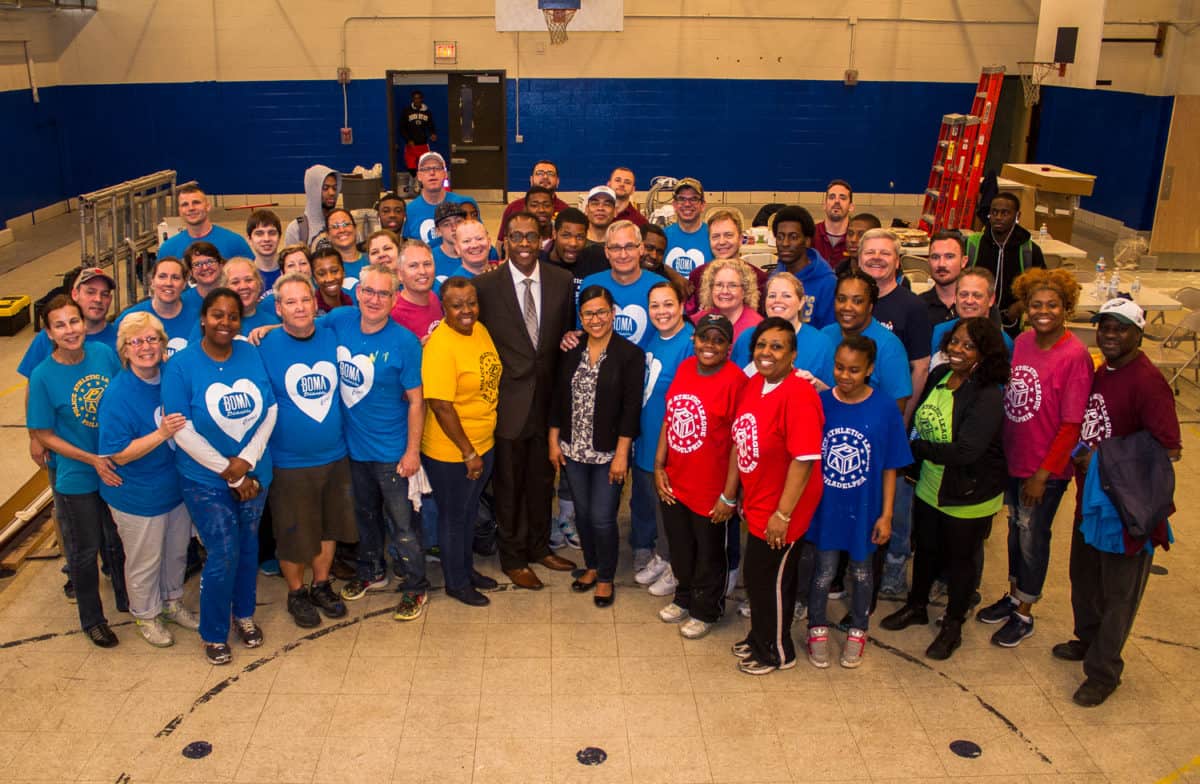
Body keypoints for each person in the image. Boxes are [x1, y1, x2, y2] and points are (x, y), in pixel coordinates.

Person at [1057, 298, 1182, 706]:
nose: (1110, 335)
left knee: (1119, 595)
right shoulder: (1103, 372)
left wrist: (1104, 455)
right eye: (1105, 327)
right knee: (1085, 581)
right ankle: (1088, 641)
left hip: (1125, 509)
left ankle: (1104, 671)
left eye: (1121, 328)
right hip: (1091, 501)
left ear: (1139, 334)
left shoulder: (1147, 382)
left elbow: (1169, 447)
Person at [881, 317, 1010, 660]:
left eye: (968, 346)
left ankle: (953, 624)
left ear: (984, 353)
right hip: (930, 484)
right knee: (925, 549)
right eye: (955, 342)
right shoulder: (939, 377)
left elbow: (967, 451)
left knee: (960, 561)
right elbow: (921, 420)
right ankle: (917, 605)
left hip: (968, 492)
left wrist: (917, 450)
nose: (957, 349)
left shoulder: (986, 395)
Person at [977, 268, 1091, 647]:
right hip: (1013, 458)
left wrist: (1043, 473)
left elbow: (1072, 423)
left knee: (1033, 537)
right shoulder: (1023, 341)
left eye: (1053, 305)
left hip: (1044, 469)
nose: (1044, 311)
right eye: (1036, 304)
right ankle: (1013, 595)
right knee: (1015, 530)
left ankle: (1025, 613)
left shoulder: (1074, 356)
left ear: (1066, 308)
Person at [164, 288, 276, 663]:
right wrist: (230, 472)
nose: (225, 323)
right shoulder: (181, 365)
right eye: (217, 315)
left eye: (232, 316)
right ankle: (213, 632)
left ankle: (243, 614)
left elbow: (270, 409)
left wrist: (245, 462)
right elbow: (180, 428)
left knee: (247, 547)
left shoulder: (249, 352)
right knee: (223, 551)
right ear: (203, 319)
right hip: (205, 480)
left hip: (254, 473)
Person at [474, 212, 577, 590]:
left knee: (541, 481)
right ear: (505, 241)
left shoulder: (562, 281)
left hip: (547, 404)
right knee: (509, 486)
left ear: (542, 240)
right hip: (506, 405)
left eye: (530, 236)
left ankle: (538, 547)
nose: (522, 243)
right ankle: (513, 556)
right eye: (515, 236)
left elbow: (563, 336)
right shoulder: (485, 286)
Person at [320, 264, 429, 618]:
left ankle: (415, 586)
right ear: (358, 292)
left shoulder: (404, 342)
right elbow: (302, 327)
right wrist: (265, 329)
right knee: (364, 518)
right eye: (369, 291)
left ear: (394, 298)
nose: (374, 299)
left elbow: (416, 400)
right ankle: (372, 573)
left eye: (384, 293)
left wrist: (412, 451)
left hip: (392, 453)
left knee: (404, 528)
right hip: (353, 450)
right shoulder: (339, 320)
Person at [27, 295, 128, 647]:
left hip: (113, 465)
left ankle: (125, 599)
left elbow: (122, 397)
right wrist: (92, 459)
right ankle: (93, 619)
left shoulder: (102, 355)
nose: (70, 330)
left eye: (74, 321)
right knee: (85, 548)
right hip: (78, 473)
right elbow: (45, 434)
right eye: (60, 325)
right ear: (49, 333)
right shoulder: (42, 376)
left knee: (116, 540)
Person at [806, 336, 912, 668]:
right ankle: (816, 626)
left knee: (862, 573)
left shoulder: (884, 408)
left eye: (854, 370)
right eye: (839, 367)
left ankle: (858, 628)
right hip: (827, 508)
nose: (845, 375)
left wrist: (887, 514)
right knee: (823, 572)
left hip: (866, 509)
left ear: (869, 370)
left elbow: (891, 465)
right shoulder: (821, 403)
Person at [729, 317, 824, 675]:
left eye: (777, 346)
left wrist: (782, 515)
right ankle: (759, 635)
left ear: (793, 354)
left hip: (784, 507)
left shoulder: (799, 394)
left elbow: (803, 459)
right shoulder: (755, 384)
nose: (767, 352)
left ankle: (778, 651)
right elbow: (744, 440)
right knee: (757, 576)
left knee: (773, 581)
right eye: (762, 344)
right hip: (758, 500)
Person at [260, 274, 356, 628]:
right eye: (290, 302)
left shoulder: (332, 332)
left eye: (305, 300)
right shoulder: (266, 346)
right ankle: (296, 592)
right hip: (288, 461)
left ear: (315, 304)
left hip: (334, 455)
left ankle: (321, 584)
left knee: (328, 527)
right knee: (294, 531)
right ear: (278, 309)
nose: (299, 307)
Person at [98, 312, 199, 648]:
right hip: (139, 497)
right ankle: (146, 613)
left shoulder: (173, 375)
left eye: (152, 339)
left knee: (175, 554)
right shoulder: (118, 394)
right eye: (136, 342)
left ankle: (171, 602)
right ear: (124, 351)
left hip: (176, 488)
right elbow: (119, 454)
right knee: (145, 560)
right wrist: (161, 433)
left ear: (163, 344)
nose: (145, 347)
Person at [549, 285, 644, 608]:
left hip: (608, 453)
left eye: (602, 312)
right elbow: (558, 398)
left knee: (603, 517)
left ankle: (605, 576)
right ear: (581, 317)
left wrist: (621, 455)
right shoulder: (570, 350)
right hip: (573, 449)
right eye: (589, 313)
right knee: (584, 515)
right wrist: (553, 440)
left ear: (613, 313)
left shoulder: (629, 354)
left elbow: (631, 409)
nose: (596, 318)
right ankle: (591, 565)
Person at [654, 313, 746, 638]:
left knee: (709, 554)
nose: (710, 345)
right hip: (676, 480)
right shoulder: (684, 368)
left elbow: (740, 443)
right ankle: (684, 595)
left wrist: (729, 495)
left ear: (729, 347)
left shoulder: (736, 381)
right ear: (694, 340)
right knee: (681, 547)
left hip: (712, 488)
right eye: (704, 337)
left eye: (718, 340)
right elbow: (670, 417)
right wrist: (659, 464)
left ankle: (706, 608)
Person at [857, 228, 931, 596]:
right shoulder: (852, 302)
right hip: (858, 424)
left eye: (884, 253)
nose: (876, 258)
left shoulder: (911, 307)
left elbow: (920, 367)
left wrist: (903, 420)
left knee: (897, 503)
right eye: (869, 252)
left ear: (897, 261)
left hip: (894, 420)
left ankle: (895, 571)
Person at [420, 277, 502, 606]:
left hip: (483, 440)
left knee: (469, 514)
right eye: (457, 305)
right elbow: (441, 405)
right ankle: (456, 582)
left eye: (471, 302)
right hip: (452, 451)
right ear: (444, 308)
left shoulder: (479, 330)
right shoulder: (441, 344)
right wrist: (468, 452)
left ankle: (466, 570)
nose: (466, 310)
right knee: (455, 517)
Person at [18, 268, 118, 478]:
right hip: (68, 457)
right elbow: (33, 392)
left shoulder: (116, 340)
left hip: (110, 450)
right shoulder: (45, 341)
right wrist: (35, 437)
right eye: (90, 292)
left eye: (105, 294)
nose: (98, 299)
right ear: (75, 294)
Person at [632, 280, 695, 592]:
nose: (662, 311)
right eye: (655, 305)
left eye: (668, 304)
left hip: (672, 445)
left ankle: (677, 565)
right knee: (655, 507)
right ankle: (662, 555)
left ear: (682, 306)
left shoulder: (689, 342)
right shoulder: (654, 337)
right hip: (647, 436)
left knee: (672, 508)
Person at [819, 270, 913, 411]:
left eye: (857, 301)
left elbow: (897, 408)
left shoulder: (889, 347)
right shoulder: (825, 335)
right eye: (841, 299)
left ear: (870, 306)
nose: (847, 307)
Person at [730, 272, 834, 389]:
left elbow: (834, 395)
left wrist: (816, 385)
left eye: (786, 296)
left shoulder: (821, 343)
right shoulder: (747, 338)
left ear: (801, 303)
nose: (777, 300)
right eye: (772, 296)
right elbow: (732, 383)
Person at [579, 220, 666, 349]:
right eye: (615, 248)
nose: (623, 255)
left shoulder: (661, 287)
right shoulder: (590, 284)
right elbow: (581, 331)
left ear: (641, 248)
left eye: (630, 246)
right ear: (606, 252)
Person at [968, 192, 1046, 333]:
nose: (998, 217)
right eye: (994, 212)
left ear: (1017, 216)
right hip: (973, 318)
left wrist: (1021, 305)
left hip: (1012, 325)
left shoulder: (1029, 250)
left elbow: (1044, 287)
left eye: (1005, 213)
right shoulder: (973, 244)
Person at [929, 268, 1013, 371]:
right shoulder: (939, 332)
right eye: (963, 294)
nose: (969, 301)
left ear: (991, 300)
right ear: (955, 297)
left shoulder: (1003, 342)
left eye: (977, 295)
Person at [119, 256, 200, 358]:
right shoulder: (129, 319)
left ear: (184, 284)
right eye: (162, 276)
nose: (168, 283)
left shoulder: (199, 320)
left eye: (175, 277)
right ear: (152, 281)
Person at [772, 206, 836, 329]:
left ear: (807, 241)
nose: (785, 243)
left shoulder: (827, 283)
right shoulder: (775, 277)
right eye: (780, 237)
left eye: (793, 237)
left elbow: (830, 333)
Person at [158, 185, 254, 261]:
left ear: (208, 206)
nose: (191, 208)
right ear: (180, 211)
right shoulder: (168, 249)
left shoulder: (235, 243)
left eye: (196, 202)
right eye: (185, 204)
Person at [402, 152, 478, 244]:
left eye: (437, 168)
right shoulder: (410, 210)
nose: (432, 173)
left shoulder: (465, 203)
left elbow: (478, 236)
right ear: (419, 176)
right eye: (426, 169)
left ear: (445, 174)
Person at [496, 161, 570, 243]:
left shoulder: (565, 210)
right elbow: (501, 241)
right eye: (539, 173)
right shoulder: (513, 208)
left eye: (550, 174)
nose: (545, 177)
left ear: (558, 181)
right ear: (531, 180)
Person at [542, 207, 607, 300]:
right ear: (554, 234)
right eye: (566, 235)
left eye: (580, 237)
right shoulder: (539, 264)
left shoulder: (597, 259)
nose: (573, 243)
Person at [694, 259, 763, 340]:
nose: (725, 291)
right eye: (719, 285)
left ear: (745, 290)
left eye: (732, 285)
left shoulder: (756, 327)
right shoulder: (698, 320)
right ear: (710, 288)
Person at [391, 240, 443, 344]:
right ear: (400, 274)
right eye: (413, 266)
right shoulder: (394, 313)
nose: (422, 271)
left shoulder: (434, 297)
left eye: (427, 264)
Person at [284, 165, 341, 248]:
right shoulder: (296, 229)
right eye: (325, 188)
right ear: (313, 191)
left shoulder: (342, 225)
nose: (332, 193)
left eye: (334, 188)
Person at [663, 178, 708, 277]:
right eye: (681, 199)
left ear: (703, 205)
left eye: (693, 199)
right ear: (674, 205)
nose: (687, 204)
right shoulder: (662, 237)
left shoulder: (714, 236)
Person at [922, 229, 968, 326]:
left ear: (963, 261)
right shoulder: (918, 307)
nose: (941, 264)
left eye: (949, 256)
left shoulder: (976, 305)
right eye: (935, 257)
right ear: (928, 261)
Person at [321, 207, 366, 295]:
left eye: (346, 224)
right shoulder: (322, 269)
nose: (342, 230)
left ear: (355, 228)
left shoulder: (373, 260)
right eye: (335, 227)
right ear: (327, 235)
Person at [813, 179, 854, 268]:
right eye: (832, 197)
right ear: (824, 205)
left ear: (851, 207)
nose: (837, 201)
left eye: (842, 198)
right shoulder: (810, 234)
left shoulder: (857, 238)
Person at [399, 90, 437, 183]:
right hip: (411, 145)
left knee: (425, 165)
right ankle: (415, 180)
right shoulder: (407, 111)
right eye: (415, 98)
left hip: (423, 144)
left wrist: (432, 133)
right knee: (410, 166)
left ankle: (422, 183)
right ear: (412, 99)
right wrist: (408, 140)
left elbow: (431, 125)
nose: (417, 100)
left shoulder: (427, 112)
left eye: (419, 98)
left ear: (422, 99)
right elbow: (402, 128)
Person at [245, 209, 283, 293]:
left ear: (279, 237)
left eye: (272, 233)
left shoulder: (290, 271)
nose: (266, 239)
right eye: (259, 233)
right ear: (249, 239)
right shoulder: (245, 276)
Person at [431, 201, 468, 284]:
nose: (454, 228)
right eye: (446, 224)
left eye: (458, 221)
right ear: (438, 231)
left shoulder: (478, 253)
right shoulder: (429, 258)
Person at [181, 242, 225, 311]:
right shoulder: (181, 302)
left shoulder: (234, 297)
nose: (205, 268)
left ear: (220, 265)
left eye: (210, 262)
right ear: (190, 272)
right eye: (197, 264)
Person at [311, 248, 354, 313]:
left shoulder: (351, 302)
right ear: (314, 279)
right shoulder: (312, 311)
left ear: (343, 272)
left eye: (334, 271)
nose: (330, 279)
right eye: (321, 274)